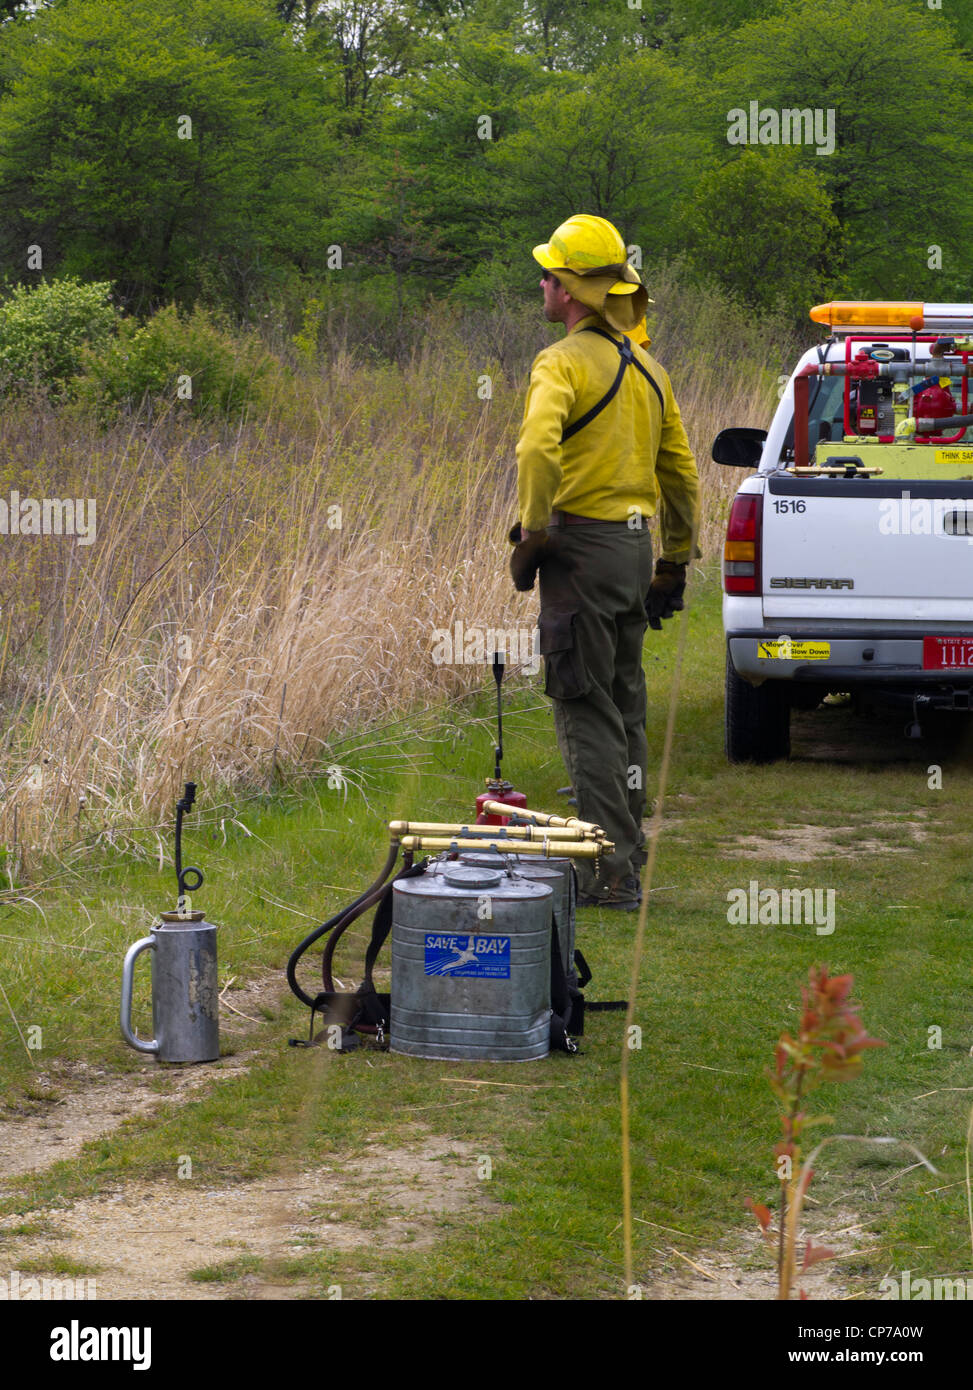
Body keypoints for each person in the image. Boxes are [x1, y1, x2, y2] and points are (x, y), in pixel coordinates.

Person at [509, 214, 700, 910]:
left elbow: (536, 450)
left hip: (580, 551)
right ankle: (627, 849)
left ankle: (608, 872)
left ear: (567, 291)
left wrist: (532, 533)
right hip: (632, 549)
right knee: (623, 705)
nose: (542, 282)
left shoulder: (558, 362)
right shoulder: (649, 368)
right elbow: (679, 473)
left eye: (550, 274)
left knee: (583, 704)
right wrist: (672, 563)